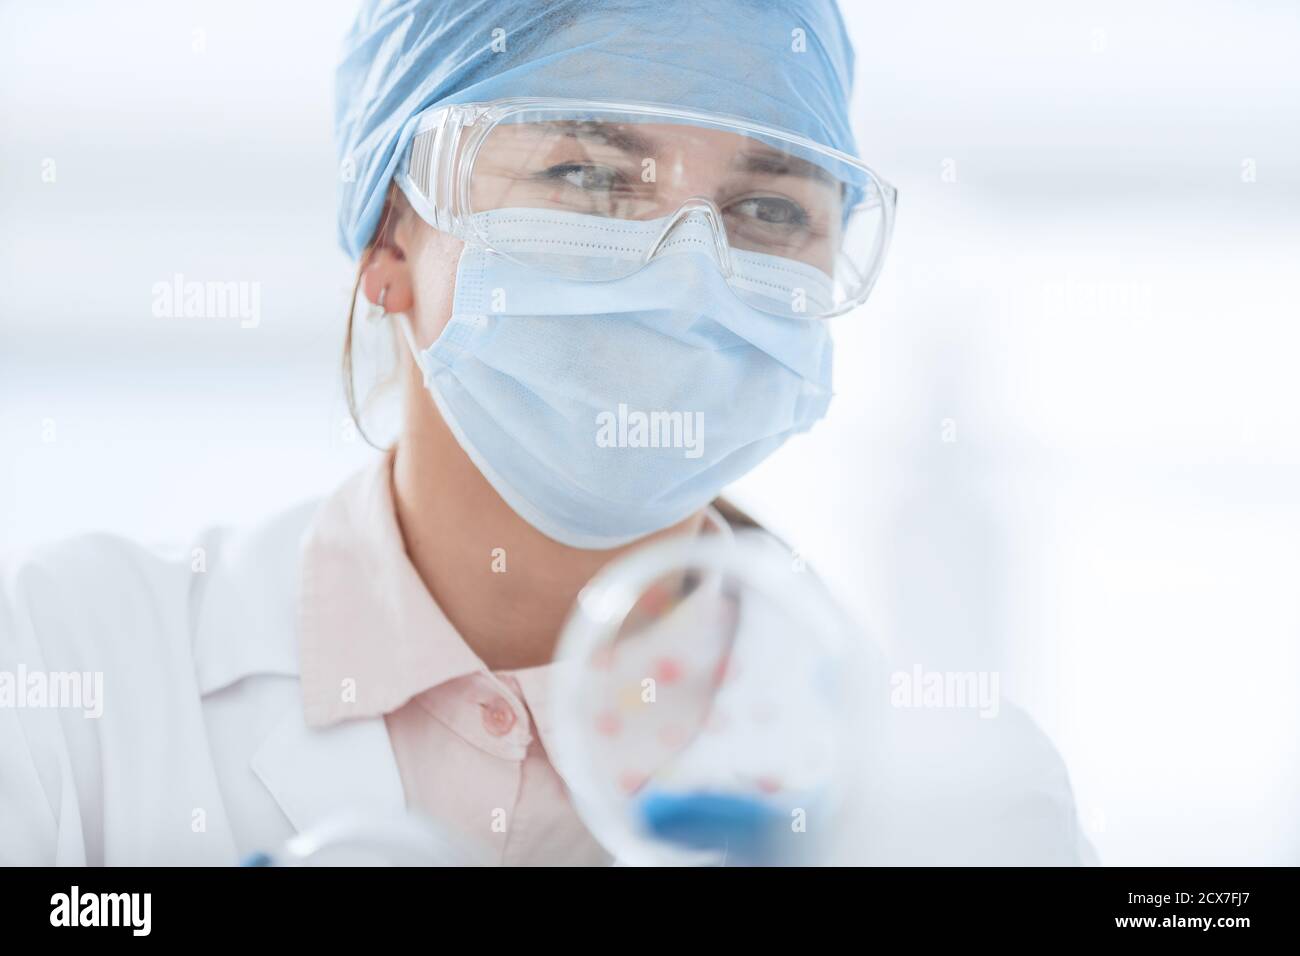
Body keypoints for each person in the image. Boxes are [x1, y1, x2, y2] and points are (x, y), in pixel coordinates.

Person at [0, 0, 1090, 865]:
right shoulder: (69, 669)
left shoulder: (968, 803)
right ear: (391, 238)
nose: (688, 272)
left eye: (767, 211)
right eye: (585, 176)